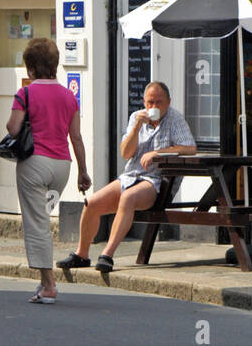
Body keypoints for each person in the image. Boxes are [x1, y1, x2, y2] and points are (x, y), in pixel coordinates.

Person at [58, 81, 196, 276]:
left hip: (156, 182)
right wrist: (137, 127)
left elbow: (190, 148)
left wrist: (159, 153)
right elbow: (125, 153)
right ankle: (82, 254)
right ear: (144, 102)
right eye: (150, 102)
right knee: (92, 203)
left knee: (128, 198)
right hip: (131, 176)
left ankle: (107, 254)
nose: (154, 107)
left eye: (159, 102)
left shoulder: (175, 119)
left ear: (168, 102)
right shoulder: (136, 117)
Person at [4, 38, 91, 305]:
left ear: (30, 68)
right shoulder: (69, 96)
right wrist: (83, 173)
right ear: (55, 65)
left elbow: (13, 129)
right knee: (43, 219)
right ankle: (44, 283)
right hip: (62, 167)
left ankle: (50, 284)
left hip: (34, 165)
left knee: (37, 224)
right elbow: (76, 137)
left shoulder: (26, 93)